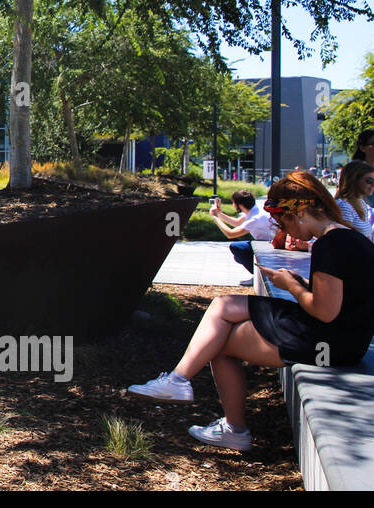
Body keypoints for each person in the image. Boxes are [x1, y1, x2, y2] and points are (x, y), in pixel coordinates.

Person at [128, 171, 374, 451]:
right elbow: (343, 296)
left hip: (330, 340)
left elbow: (326, 311)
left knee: (218, 343)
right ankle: (181, 382)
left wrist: (290, 286)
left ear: (301, 212)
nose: (285, 230)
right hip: (343, 335)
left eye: (284, 221)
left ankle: (226, 422)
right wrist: (300, 282)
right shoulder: (346, 238)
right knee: (222, 307)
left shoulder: (331, 244)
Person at [208, 189, 279, 287]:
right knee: (238, 255)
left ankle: (261, 275)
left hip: (270, 247)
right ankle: (259, 272)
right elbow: (237, 222)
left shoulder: (255, 219)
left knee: (237, 248)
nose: (233, 205)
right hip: (267, 244)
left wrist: (215, 218)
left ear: (239, 205)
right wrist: (219, 214)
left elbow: (230, 234)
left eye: (233, 203)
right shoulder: (256, 210)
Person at [335, 160, 374, 240]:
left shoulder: (361, 202)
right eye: (369, 181)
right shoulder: (344, 206)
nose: (373, 185)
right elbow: (347, 241)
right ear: (354, 180)